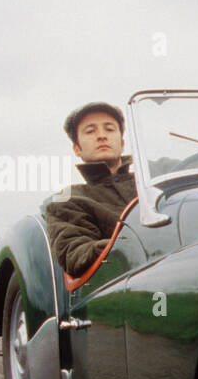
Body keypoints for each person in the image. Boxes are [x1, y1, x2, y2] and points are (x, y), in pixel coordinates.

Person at [44, 101, 137, 278]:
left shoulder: (151, 184)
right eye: (90, 131)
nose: (102, 136)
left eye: (109, 129)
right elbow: (74, 253)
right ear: (76, 148)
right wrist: (125, 245)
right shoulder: (70, 199)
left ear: (122, 143)